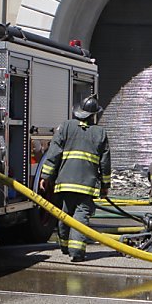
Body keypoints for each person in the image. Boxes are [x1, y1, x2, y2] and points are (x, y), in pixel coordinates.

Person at [38, 94, 111, 262]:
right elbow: (105, 162)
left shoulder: (65, 127)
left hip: (64, 183)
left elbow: (53, 153)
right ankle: (76, 252)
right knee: (80, 216)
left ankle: (64, 246)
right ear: (93, 114)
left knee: (65, 214)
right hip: (87, 186)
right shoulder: (100, 133)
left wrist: (45, 176)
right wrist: (105, 185)